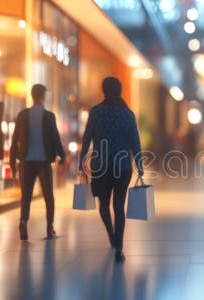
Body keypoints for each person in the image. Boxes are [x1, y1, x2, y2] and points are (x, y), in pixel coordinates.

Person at [79, 77, 143, 263]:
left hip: (101, 166)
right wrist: (139, 164)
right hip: (123, 167)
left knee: (104, 204)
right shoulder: (127, 114)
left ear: (104, 90)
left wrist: (82, 160)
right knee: (119, 207)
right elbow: (134, 142)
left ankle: (112, 235)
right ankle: (119, 248)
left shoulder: (96, 112)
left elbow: (87, 137)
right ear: (120, 90)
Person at [10, 84, 66, 241]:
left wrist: (11, 161)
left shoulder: (22, 115)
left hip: (26, 162)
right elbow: (55, 138)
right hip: (43, 162)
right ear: (43, 96)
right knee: (48, 196)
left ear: (32, 96)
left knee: (25, 196)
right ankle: (49, 227)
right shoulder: (49, 116)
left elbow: (15, 140)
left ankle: (23, 222)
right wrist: (62, 156)